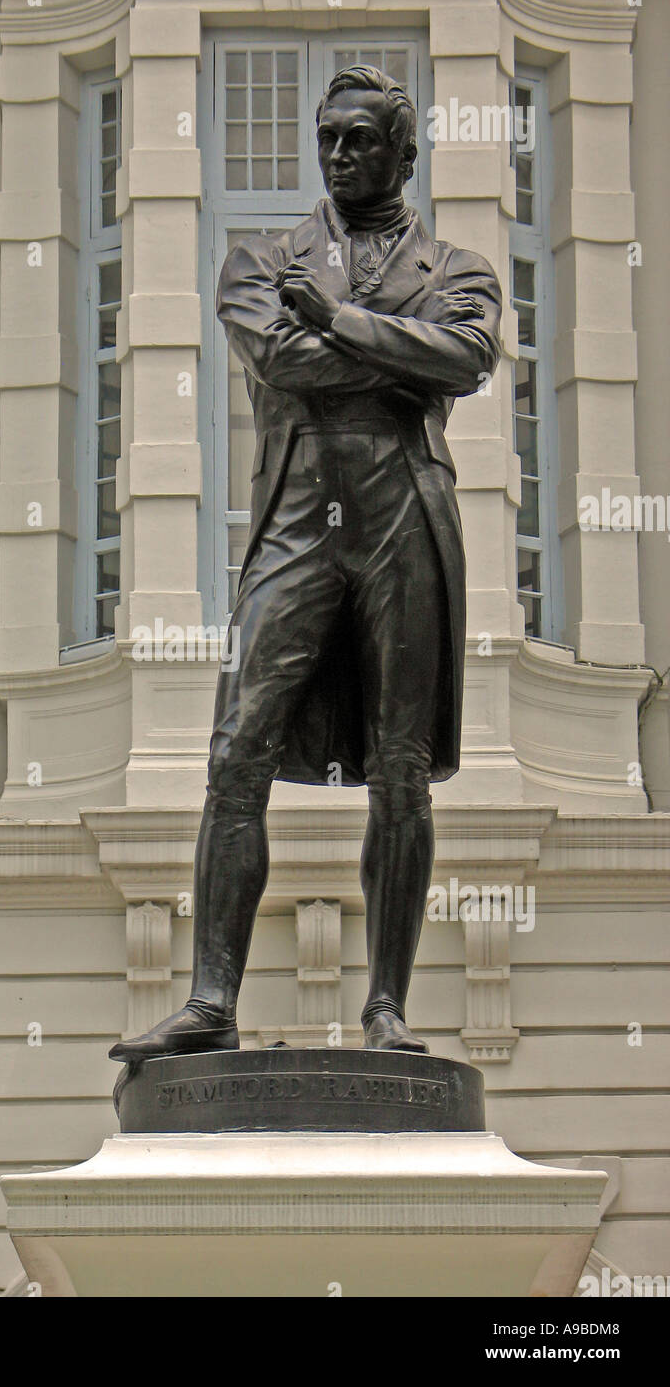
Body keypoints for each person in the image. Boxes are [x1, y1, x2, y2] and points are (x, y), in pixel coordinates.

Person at [110, 65, 502, 1062]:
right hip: (294, 520)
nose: (336, 154)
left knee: (400, 768)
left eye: (359, 138)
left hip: (403, 518)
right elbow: (281, 362)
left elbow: (465, 359)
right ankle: (209, 999)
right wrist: (388, 353)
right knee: (235, 748)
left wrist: (333, 320)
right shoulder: (260, 258)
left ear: (402, 154)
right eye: (326, 137)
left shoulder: (457, 266)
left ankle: (385, 1006)